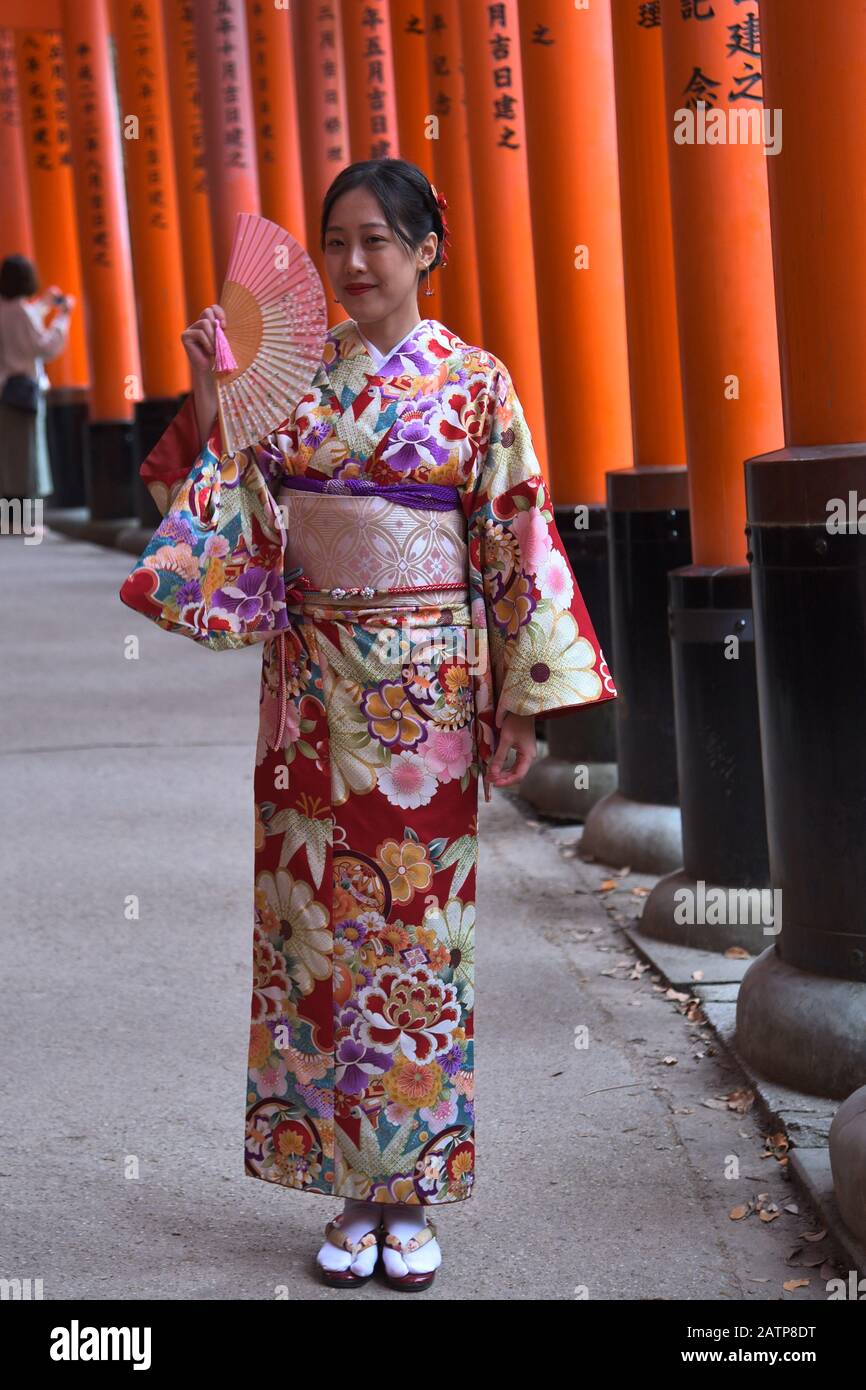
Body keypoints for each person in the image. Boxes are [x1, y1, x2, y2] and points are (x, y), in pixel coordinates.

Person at [130, 157, 617, 1291]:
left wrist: (517, 699)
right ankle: (350, 1190)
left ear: (425, 249)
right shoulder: (292, 383)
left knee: (417, 943)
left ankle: (413, 1187)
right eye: (335, 242)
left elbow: (512, 544)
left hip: (429, 703)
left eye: (377, 241)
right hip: (310, 701)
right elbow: (228, 516)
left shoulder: (475, 385)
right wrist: (217, 395)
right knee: (318, 940)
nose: (353, 263)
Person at [0, 254, 74, 501]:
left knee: (10, 459)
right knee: (27, 461)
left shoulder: (5, 309)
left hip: (5, 392)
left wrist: (43, 304)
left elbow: (24, 324)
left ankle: (11, 520)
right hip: (24, 391)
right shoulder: (20, 312)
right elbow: (44, 345)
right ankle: (24, 523)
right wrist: (62, 317)